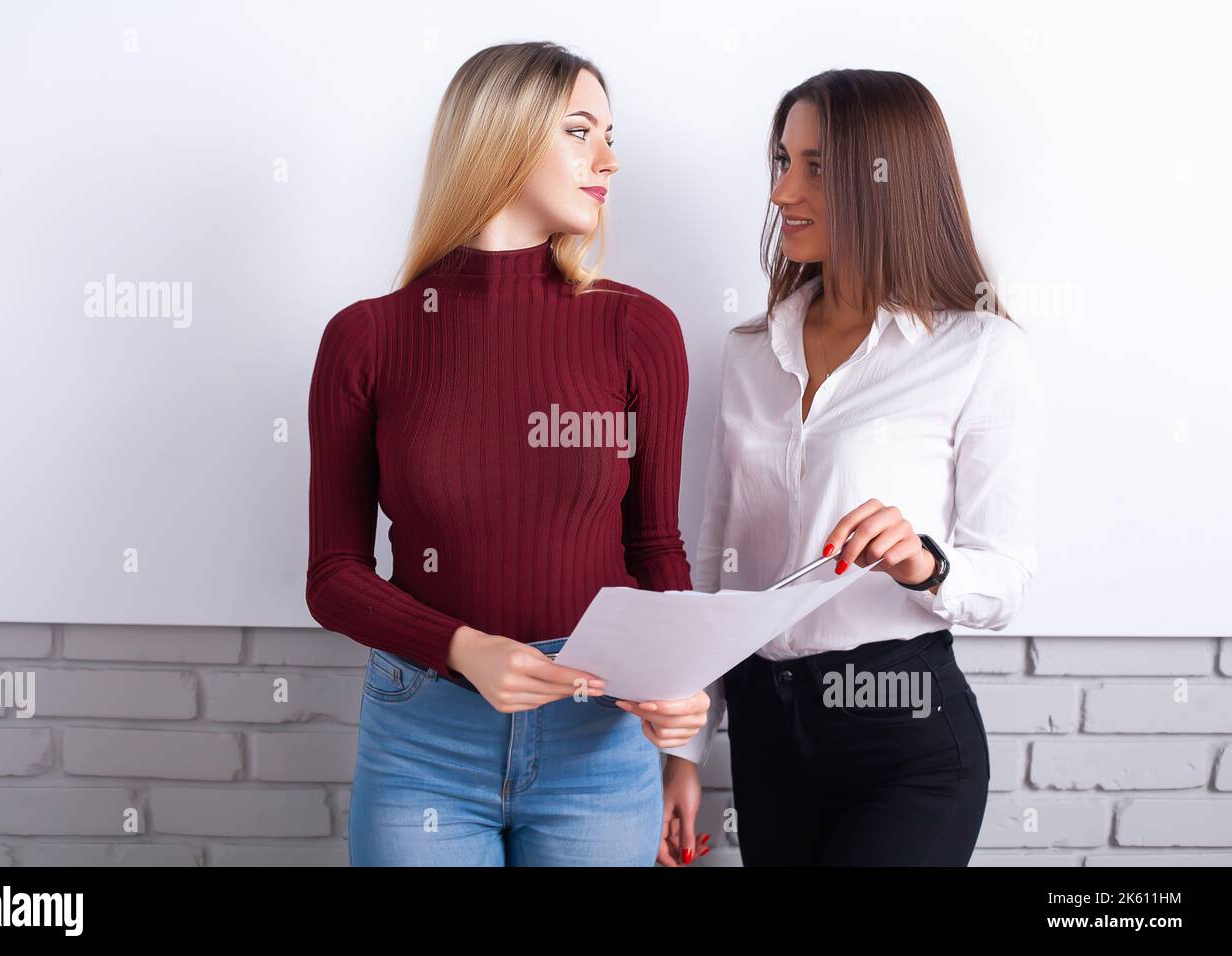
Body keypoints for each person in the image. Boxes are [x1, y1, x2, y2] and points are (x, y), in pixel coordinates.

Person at [305, 41, 711, 867]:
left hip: (599, 736)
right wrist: (462, 647)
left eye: (609, 134)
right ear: (500, 138)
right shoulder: (366, 339)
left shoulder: (638, 330)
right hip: (423, 733)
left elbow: (654, 548)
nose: (609, 159)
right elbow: (334, 574)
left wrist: (679, 696)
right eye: (579, 131)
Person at [661, 69, 1040, 866]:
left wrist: (922, 562)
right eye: (781, 160)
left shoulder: (979, 353)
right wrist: (685, 752)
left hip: (902, 732)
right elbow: (714, 567)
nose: (781, 192)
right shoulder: (748, 353)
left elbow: (1004, 577)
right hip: (767, 736)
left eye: (816, 167)